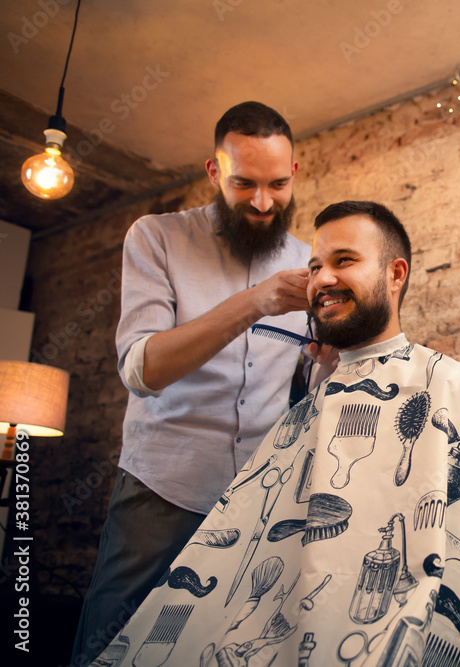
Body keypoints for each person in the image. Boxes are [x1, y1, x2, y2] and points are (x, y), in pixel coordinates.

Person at [86, 201, 460, 667]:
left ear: (395, 273)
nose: (322, 279)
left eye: (344, 261)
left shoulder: (453, 384)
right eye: (314, 267)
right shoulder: (310, 408)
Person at [72, 102, 336, 665]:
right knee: (112, 643)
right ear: (215, 173)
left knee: (216, 644)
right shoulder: (157, 238)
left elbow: (306, 385)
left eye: (278, 184)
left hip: (258, 494)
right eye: (245, 184)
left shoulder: (309, 261)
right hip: (162, 485)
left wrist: (329, 362)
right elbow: (143, 370)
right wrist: (255, 302)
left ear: (294, 173)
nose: (263, 202)